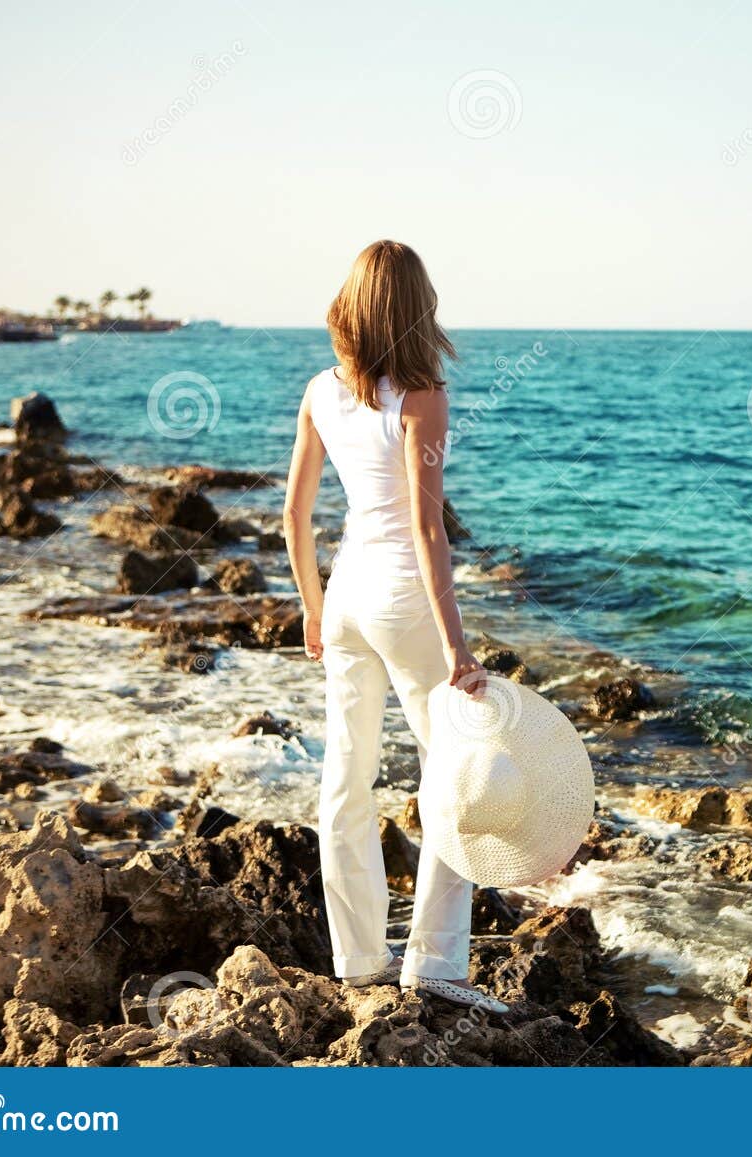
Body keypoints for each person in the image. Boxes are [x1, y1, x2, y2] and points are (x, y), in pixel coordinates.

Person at [283, 239, 507, 1013]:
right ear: (416, 308)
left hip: (345, 595)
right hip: (402, 601)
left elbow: (295, 514)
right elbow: (427, 529)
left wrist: (313, 604)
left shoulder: (320, 390)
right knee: (456, 775)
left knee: (346, 775)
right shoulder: (420, 396)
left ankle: (358, 958)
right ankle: (436, 964)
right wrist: (456, 643)